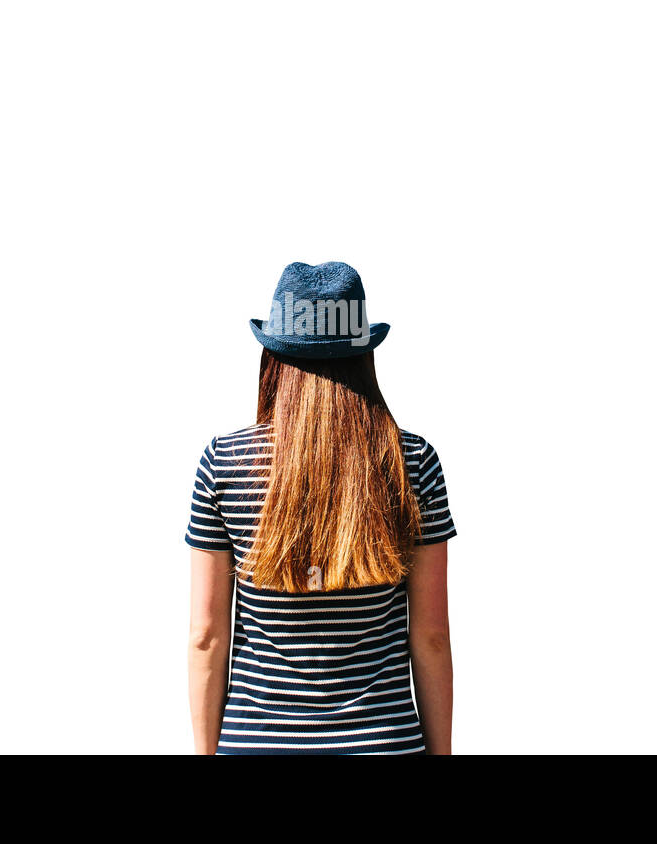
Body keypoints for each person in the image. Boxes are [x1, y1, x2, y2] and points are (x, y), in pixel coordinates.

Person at [186, 261, 456, 754]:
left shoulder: (224, 462)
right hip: (381, 742)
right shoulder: (412, 461)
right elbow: (432, 635)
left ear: (273, 357)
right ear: (363, 355)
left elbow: (207, 634)